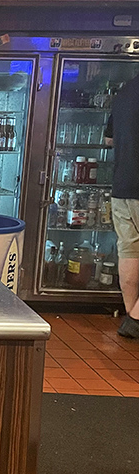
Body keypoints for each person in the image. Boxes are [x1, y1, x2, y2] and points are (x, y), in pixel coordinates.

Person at [103, 72, 139, 337]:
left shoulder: (126, 90)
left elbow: (109, 139)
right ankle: (136, 318)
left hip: (123, 186)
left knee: (130, 251)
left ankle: (132, 317)